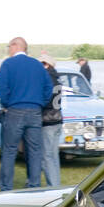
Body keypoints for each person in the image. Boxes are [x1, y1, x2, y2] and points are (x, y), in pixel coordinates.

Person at [0, 37, 51, 192]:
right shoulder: (37, 65)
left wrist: (6, 103)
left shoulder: (8, 64)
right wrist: (40, 103)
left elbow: (0, 85)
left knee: (9, 150)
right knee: (34, 151)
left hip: (15, 110)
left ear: (15, 46)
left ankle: (6, 187)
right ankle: (34, 186)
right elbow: (48, 88)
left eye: (8, 46)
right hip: (34, 111)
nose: (8, 50)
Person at [38, 54, 64, 187]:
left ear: (47, 65)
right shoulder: (57, 79)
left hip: (47, 121)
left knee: (46, 157)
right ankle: (56, 184)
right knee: (54, 156)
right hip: (58, 119)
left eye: (41, 64)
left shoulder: (46, 79)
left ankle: (53, 186)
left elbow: (45, 100)